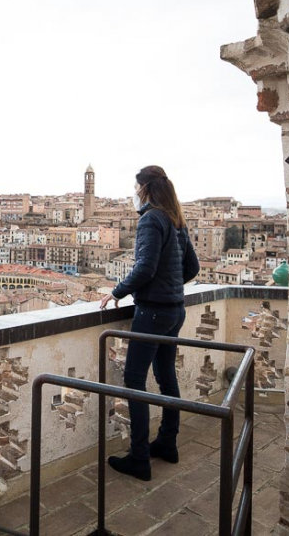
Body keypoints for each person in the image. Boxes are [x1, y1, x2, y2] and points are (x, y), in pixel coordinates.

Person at [99, 165, 200, 481]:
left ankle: (139, 457)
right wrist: (170, 285)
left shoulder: (150, 219)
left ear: (144, 189)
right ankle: (167, 444)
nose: (133, 192)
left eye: (135, 186)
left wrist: (116, 292)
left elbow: (144, 267)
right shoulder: (176, 219)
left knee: (134, 380)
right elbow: (192, 268)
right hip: (174, 310)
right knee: (166, 377)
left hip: (153, 312)